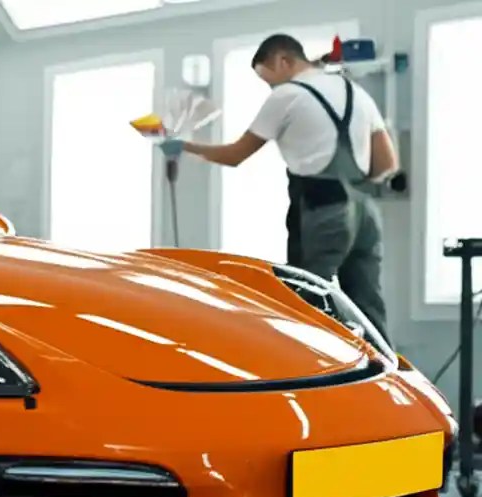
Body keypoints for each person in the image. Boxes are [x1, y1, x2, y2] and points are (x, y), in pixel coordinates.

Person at [163, 33, 401, 345]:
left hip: (321, 208)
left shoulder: (287, 95)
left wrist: (185, 146)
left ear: (282, 61)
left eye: (268, 79)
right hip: (366, 215)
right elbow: (387, 162)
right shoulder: (354, 92)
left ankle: (312, 385)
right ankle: (386, 383)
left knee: (306, 304)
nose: (271, 88)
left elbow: (235, 155)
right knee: (368, 307)